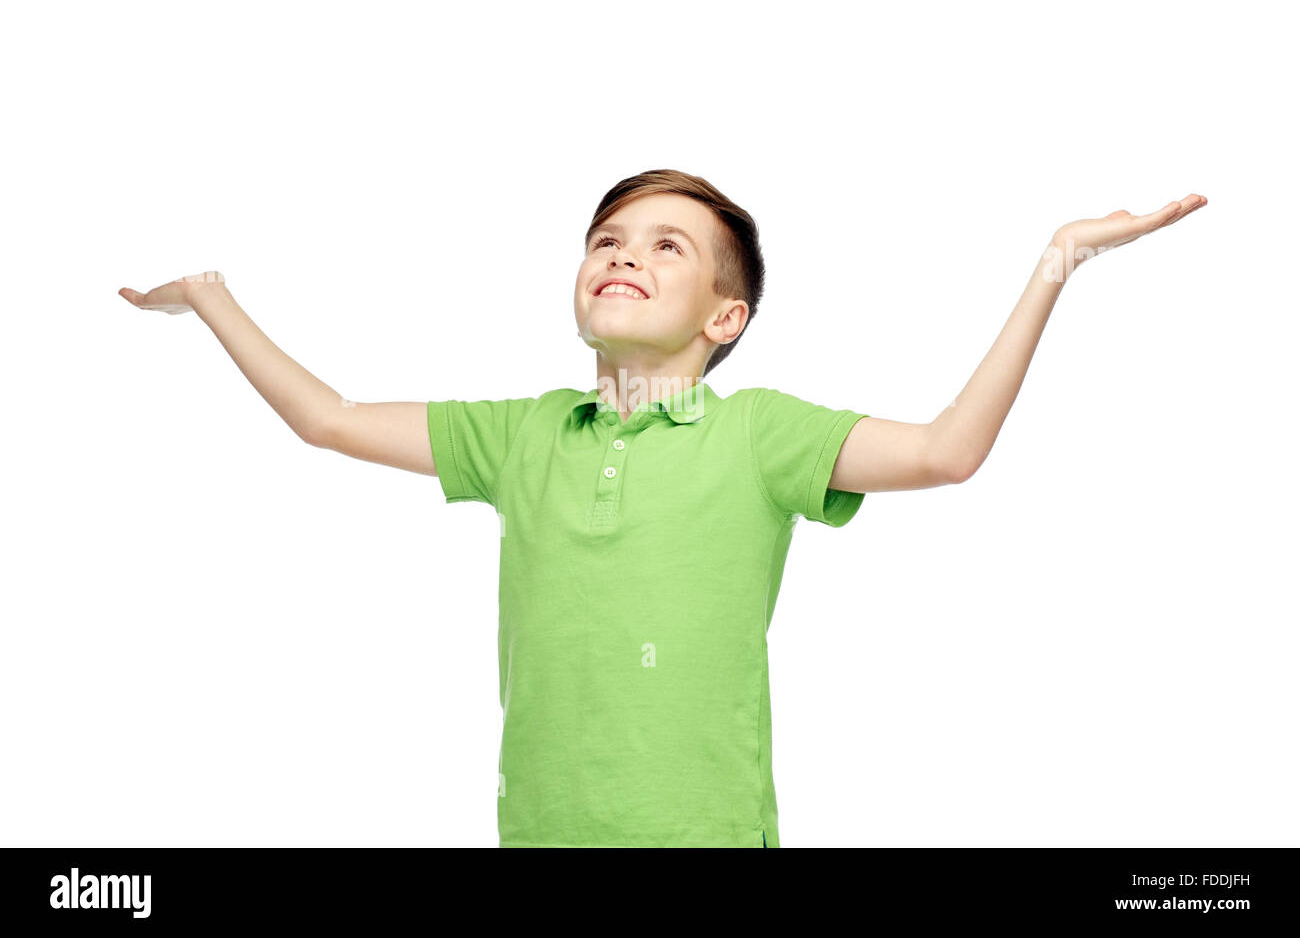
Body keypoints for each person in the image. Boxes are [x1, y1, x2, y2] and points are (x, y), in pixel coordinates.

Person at [120, 168, 1206, 847]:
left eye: (664, 245)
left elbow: (945, 448)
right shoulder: (522, 432)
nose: (623, 254)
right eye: (607, 240)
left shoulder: (758, 433)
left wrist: (1055, 262)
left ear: (725, 316)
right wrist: (211, 296)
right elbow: (330, 416)